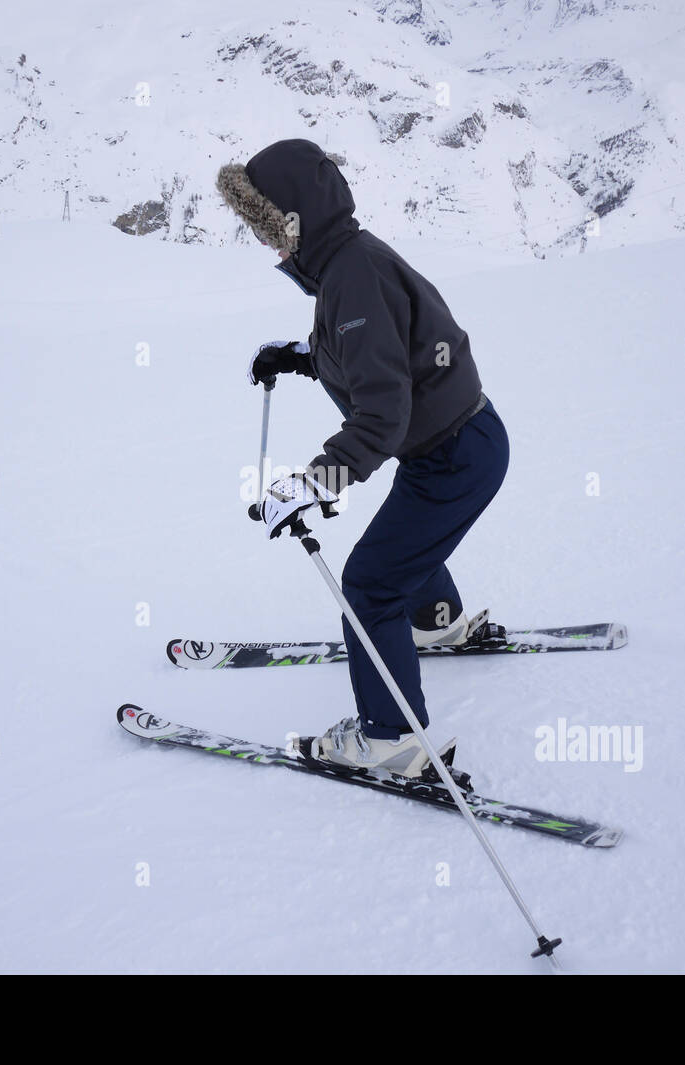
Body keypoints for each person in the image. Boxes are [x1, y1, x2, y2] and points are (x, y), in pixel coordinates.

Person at [216, 138, 509, 779]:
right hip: (461, 446)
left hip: (453, 455)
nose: (264, 242)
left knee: (370, 584)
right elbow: (381, 351)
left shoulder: (350, 277)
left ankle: (391, 739)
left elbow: (382, 412)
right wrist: (296, 354)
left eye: (265, 226)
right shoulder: (350, 263)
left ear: (292, 220)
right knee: (403, 544)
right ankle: (436, 622)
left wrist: (317, 483)